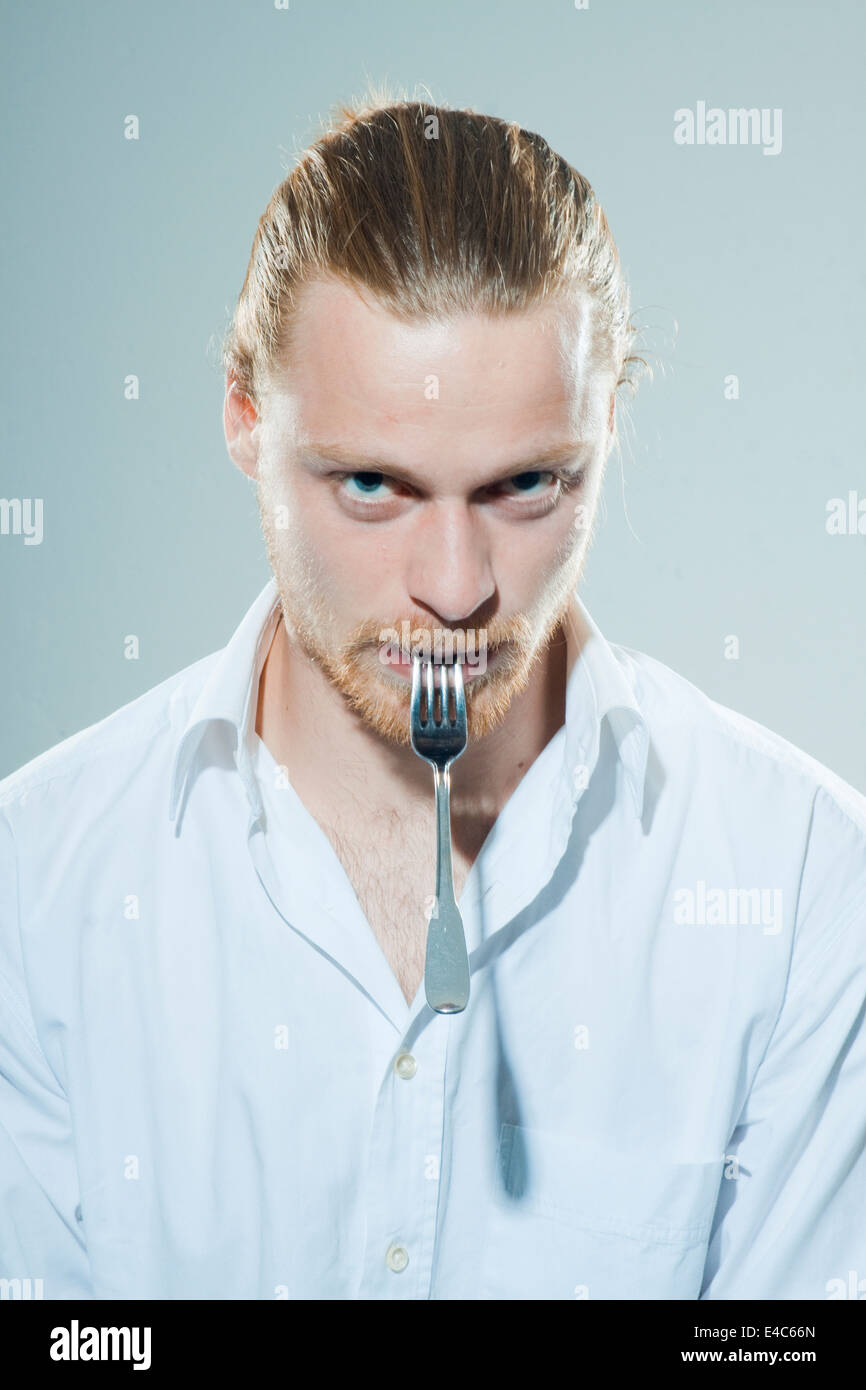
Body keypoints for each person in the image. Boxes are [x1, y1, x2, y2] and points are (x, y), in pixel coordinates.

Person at [1, 96, 864, 1302]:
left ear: (607, 423)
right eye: (371, 485)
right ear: (245, 421)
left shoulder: (804, 883)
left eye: (526, 485)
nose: (455, 591)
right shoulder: (34, 889)